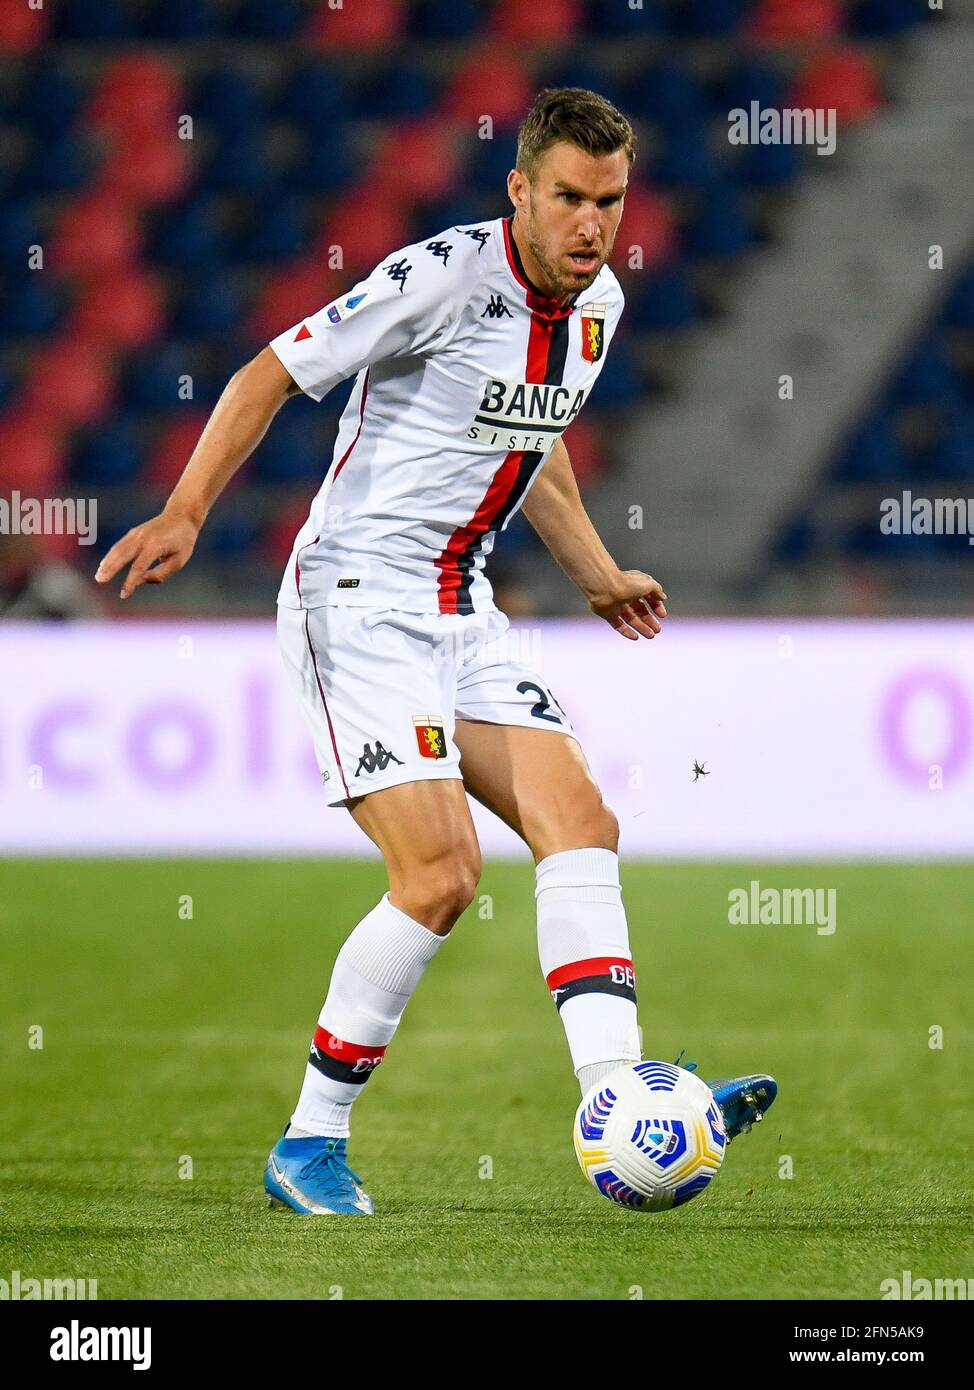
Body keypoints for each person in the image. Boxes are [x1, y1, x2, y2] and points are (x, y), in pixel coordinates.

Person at [96, 88, 776, 1216]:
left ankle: (623, 1096)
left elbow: (532, 438)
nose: (590, 223)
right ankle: (307, 1144)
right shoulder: (443, 278)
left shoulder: (597, 302)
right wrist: (184, 510)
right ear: (519, 190)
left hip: (461, 606)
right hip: (357, 599)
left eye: (608, 200)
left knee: (580, 823)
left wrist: (596, 572)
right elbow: (266, 373)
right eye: (567, 197)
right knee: (442, 873)